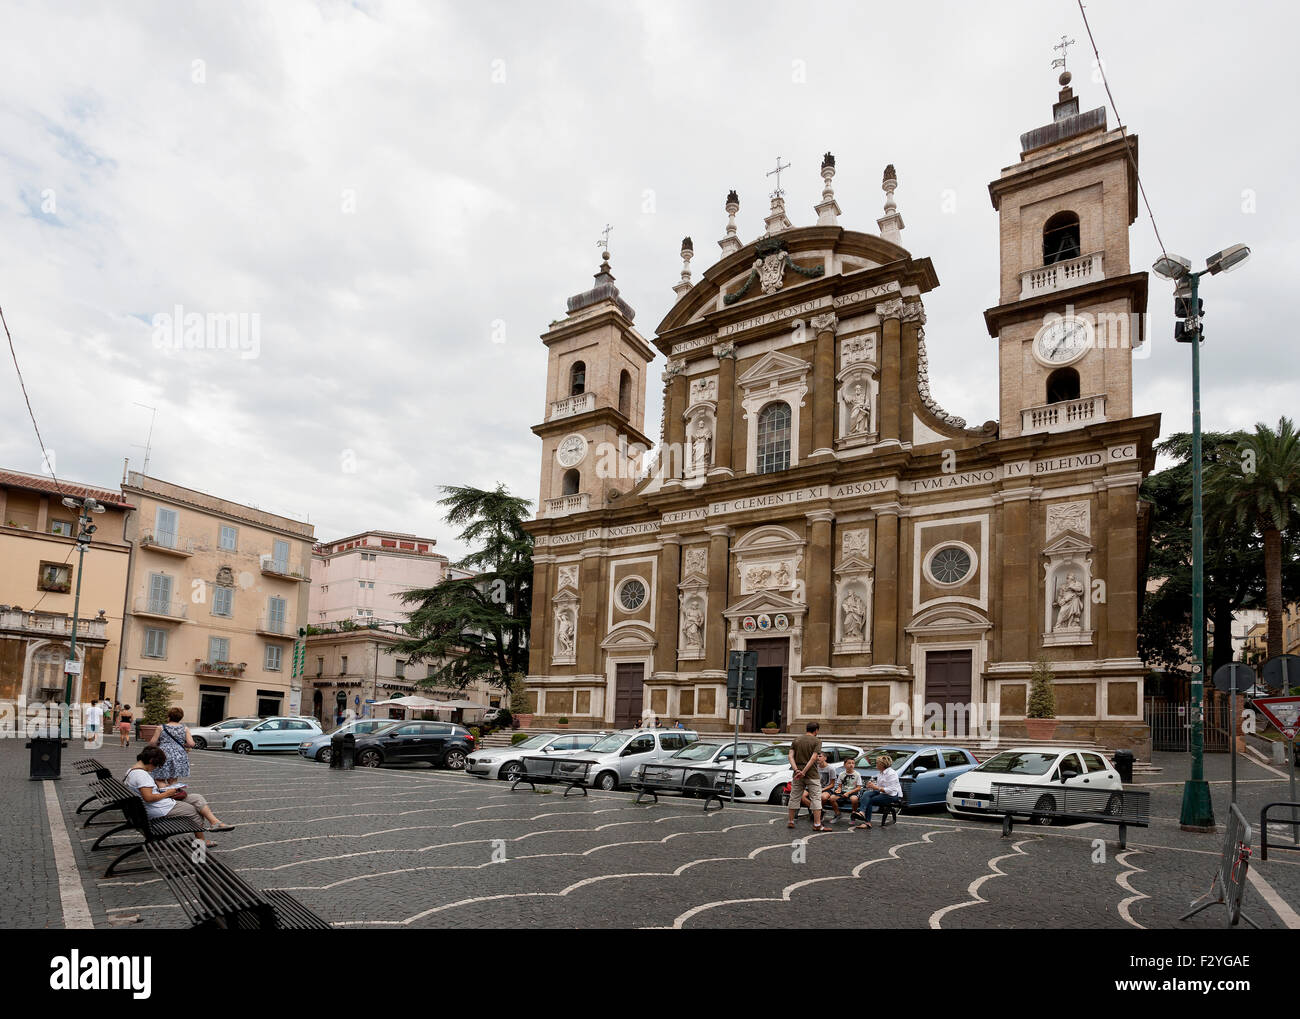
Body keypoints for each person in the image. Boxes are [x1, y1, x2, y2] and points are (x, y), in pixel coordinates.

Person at [124, 747, 234, 843]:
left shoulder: (131, 771)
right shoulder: (141, 775)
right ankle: (201, 841)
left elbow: (147, 793)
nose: (155, 768)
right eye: (156, 765)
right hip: (158, 808)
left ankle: (215, 822)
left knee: (196, 798)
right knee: (192, 810)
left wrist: (164, 790)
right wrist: (168, 793)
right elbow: (148, 798)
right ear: (151, 760)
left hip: (151, 805)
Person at [787, 722, 824, 831]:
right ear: (816, 730)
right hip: (812, 774)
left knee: (794, 796)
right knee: (816, 798)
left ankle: (791, 821)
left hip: (797, 774)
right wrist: (804, 771)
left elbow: (790, 756)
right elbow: (813, 758)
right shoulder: (817, 741)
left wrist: (796, 770)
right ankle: (817, 824)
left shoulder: (796, 740)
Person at [855, 754, 903, 829]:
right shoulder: (881, 773)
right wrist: (871, 786)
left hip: (891, 796)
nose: (876, 764)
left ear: (882, 764)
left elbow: (892, 790)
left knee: (870, 800)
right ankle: (862, 812)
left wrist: (876, 787)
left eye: (877, 763)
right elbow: (879, 786)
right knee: (866, 793)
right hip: (882, 792)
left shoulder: (891, 774)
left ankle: (867, 822)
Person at [149, 706, 193, 783]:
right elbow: (191, 744)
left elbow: (152, 743)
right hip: (179, 754)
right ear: (181, 717)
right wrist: (183, 744)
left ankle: (163, 793)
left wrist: (160, 744)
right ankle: (172, 793)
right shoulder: (185, 728)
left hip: (163, 753)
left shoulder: (161, 727)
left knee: (160, 778)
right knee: (173, 779)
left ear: (168, 716)